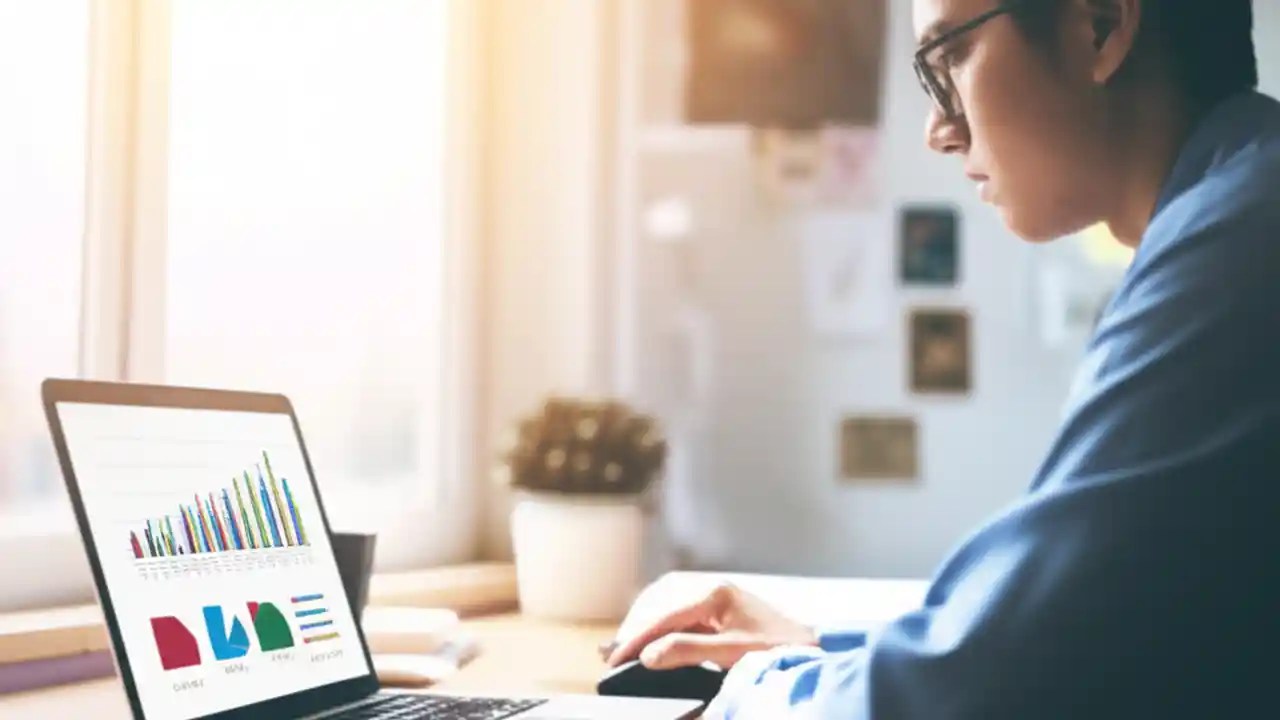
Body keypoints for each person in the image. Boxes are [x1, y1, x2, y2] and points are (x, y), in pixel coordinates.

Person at [606, 0, 1280, 716]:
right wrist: (822, 652)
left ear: (1102, 26)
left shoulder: (1239, 253)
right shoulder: (1235, 206)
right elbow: (1108, 628)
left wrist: (755, 690)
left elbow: (992, 688)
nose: (939, 129)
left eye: (949, 58)